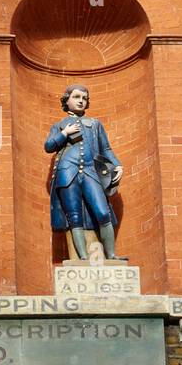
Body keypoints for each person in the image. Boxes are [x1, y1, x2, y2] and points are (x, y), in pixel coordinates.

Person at [44, 84, 125, 261]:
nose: (81, 101)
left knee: (103, 212)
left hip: (90, 171)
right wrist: (64, 133)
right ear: (67, 100)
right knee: (74, 217)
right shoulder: (59, 125)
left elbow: (106, 148)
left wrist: (117, 165)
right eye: (76, 97)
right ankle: (82, 258)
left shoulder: (95, 124)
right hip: (67, 172)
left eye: (84, 98)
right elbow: (48, 146)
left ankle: (111, 255)